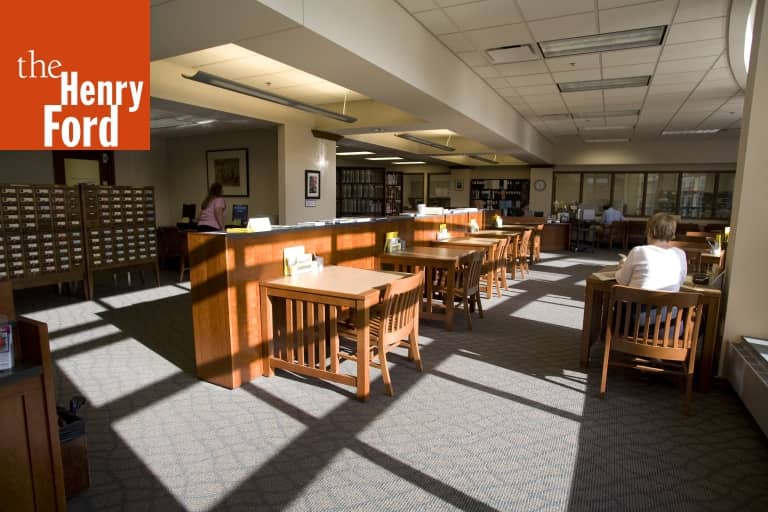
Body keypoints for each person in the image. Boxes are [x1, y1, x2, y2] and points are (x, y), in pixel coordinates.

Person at [615, 212, 687, 291]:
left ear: (649, 231)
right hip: (668, 302)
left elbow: (622, 281)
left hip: (637, 302)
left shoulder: (638, 251)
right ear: (673, 233)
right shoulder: (680, 253)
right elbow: (680, 281)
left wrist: (621, 267)